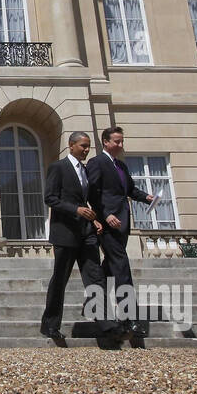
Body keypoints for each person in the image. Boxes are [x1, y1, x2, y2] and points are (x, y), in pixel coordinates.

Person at [86, 126, 158, 349]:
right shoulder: (97, 163)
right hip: (109, 224)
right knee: (121, 266)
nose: (120, 145)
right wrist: (104, 215)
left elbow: (129, 190)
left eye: (121, 141)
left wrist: (147, 197)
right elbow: (92, 193)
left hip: (122, 224)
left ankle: (94, 305)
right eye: (116, 141)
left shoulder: (121, 166)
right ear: (105, 142)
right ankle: (130, 319)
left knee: (109, 268)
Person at [38, 131, 108, 348]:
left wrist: (93, 218)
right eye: (83, 146)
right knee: (60, 279)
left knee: (95, 277)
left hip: (86, 233)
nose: (86, 150)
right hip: (65, 232)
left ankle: (106, 324)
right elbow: (50, 198)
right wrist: (76, 210)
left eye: (88, 146)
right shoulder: (58, 167)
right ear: (71, 145)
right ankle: (50, 324)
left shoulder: (85, 171)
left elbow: (82, 199)